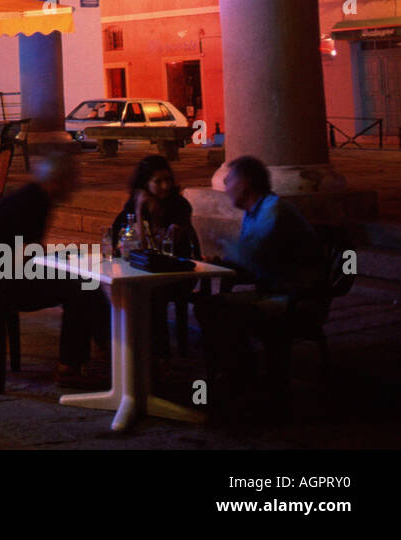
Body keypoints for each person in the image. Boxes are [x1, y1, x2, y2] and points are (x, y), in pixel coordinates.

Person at [0, 154, 110, 386]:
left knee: (82, 283)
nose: (73, 189)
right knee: (82, 288)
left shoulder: (32, 197)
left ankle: (97, 350)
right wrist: (59, 261)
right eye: (71, 183)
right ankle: (82, 361)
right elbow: (23, 254)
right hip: (1, 282)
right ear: (57, 181)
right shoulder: (33, 202)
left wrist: (58, 260)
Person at [194, 155, 324, 398]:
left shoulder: (272, 211)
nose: (225, 185)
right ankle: (240, 376)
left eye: (229, 179)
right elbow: (252, 259)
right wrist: (221, 262)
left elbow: (256, 252)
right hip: (273, 289)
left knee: (221, 311)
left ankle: (246, 382)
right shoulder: (254, 212)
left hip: (292, 296)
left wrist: (224, 245)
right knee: (208, 306)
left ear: (245, 183)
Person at [110, 155, 198, 367]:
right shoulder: (134, 203)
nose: (165, 186)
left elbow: (166, 245)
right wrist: (139, 210)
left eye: (167, 179)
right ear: (145, 184)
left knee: (151, 293)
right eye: (158, 181)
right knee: (116, 292)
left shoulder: (179, 205)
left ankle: (159, 358)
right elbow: (123, 240)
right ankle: (126, 353)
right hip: (143, 270)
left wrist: (152, 217)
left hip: (176, 272)